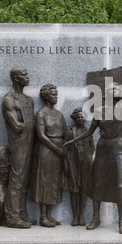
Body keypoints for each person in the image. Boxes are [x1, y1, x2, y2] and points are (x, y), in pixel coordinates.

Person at [64, 82, 122, 234]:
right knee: (98, 182)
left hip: (117, 146)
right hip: (103, 147)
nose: (115, 90)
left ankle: (121, 222)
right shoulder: (99, 110)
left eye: (117, 88)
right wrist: (74, 140)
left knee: (120, 183)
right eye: (112, 88)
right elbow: (90, 131)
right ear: (106, 93)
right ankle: (95, 218)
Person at [1, 66, 35, 228]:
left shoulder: (28, 100)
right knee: (16, 180)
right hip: (18, 145)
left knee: (25, 180)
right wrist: (32, 123)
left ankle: (22, 213)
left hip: (30, 143)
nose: (27, 77)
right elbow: (17, 126)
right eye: (24, 75)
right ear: (16, 78)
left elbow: (27, 124)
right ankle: (12, 217)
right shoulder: (9, 100)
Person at [30, 84, 68, 227]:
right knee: (45, 182)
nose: (56, 97)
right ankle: (43, 216)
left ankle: (50, 215)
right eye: (53, 95)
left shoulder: (59, 114)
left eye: (56, 94)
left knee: (54, 182)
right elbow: (41, 135)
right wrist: (57, 149)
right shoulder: (41, 114)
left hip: (58, 150)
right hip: (46, 151)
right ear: (46, 97)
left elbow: (65, 131)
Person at [66, 108, 95, 227]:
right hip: (73, 162)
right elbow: (66, 149)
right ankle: (75, 217)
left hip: (85, 164)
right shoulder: (69, 132)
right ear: (74, 119)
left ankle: (81, 216)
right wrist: (66, 164)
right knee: (73, 190)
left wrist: (87, 157)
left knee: (84, 190)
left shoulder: (88, 131)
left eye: (82, 117)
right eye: (78, 117)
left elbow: (92, 147)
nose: (80, 119)